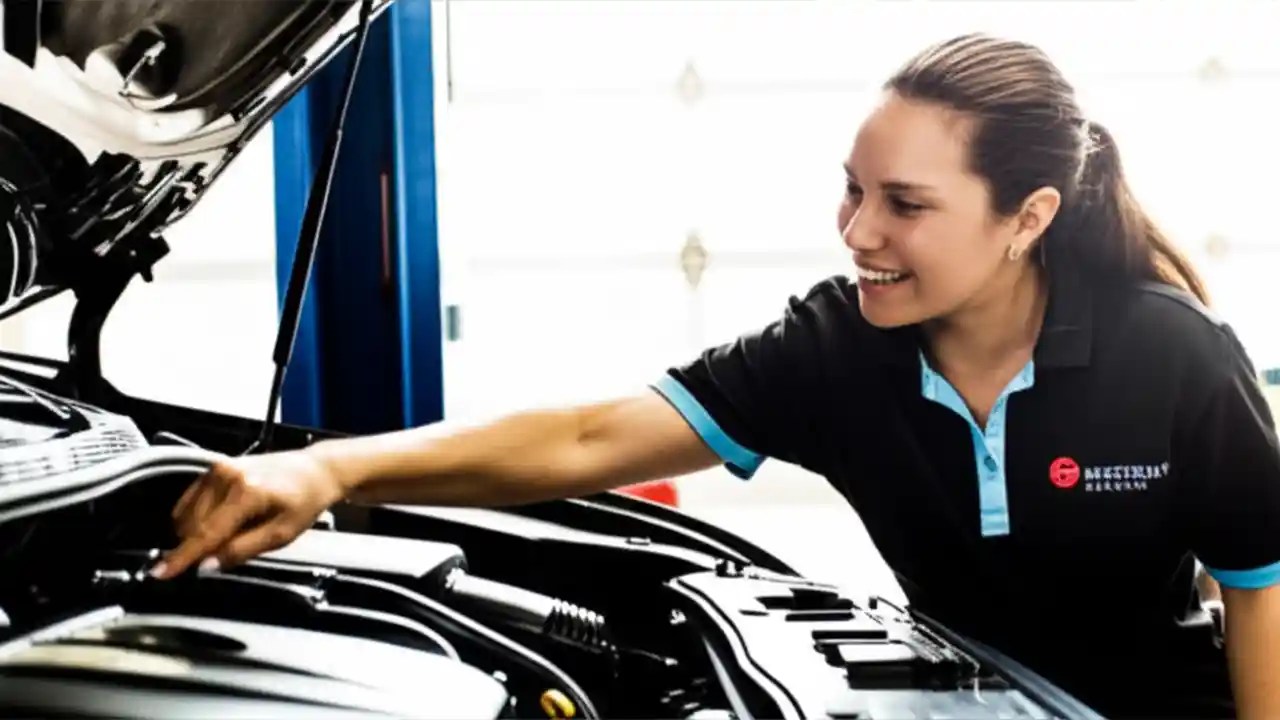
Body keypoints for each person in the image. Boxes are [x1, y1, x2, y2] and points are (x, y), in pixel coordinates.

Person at [152, 33, 1280, 718]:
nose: (855, 232)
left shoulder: (1169, 353)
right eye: (850, 189)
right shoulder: (835, 351)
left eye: (904, 206)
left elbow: (1258, 590)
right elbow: (591, 440)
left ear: (1026, 217)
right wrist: (331, 471)